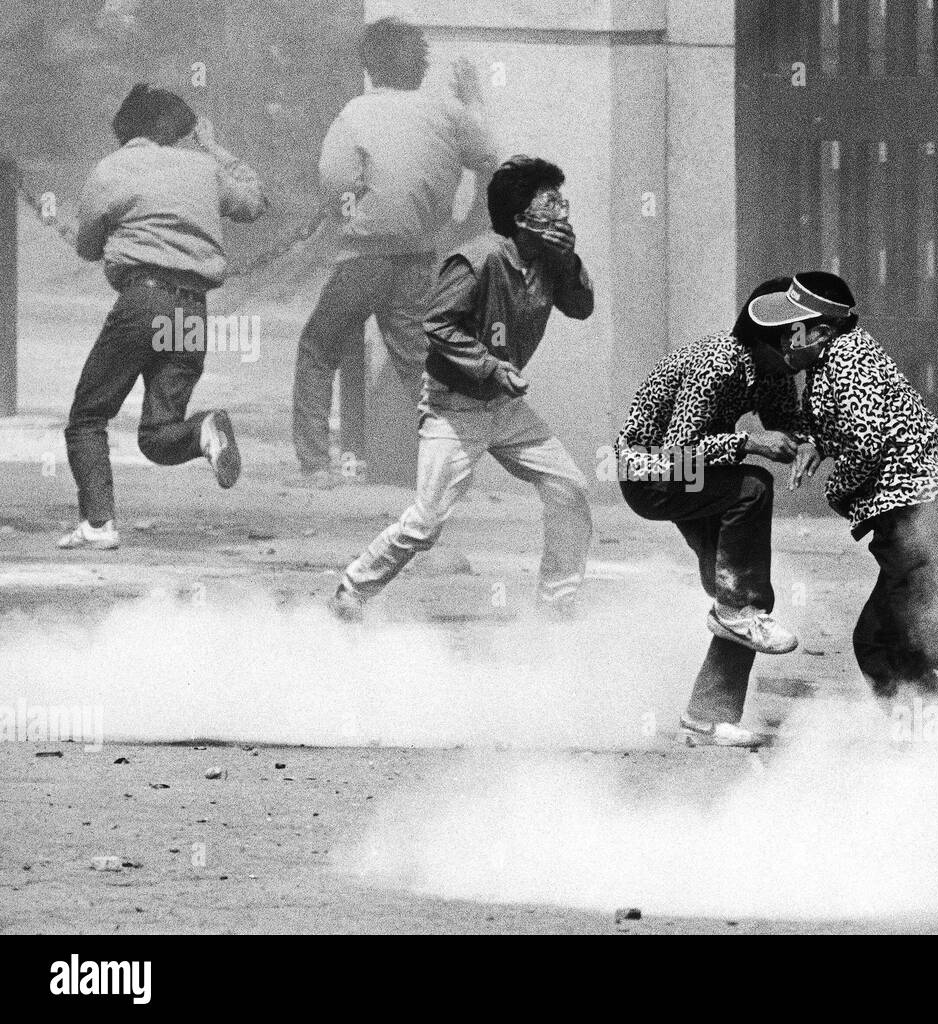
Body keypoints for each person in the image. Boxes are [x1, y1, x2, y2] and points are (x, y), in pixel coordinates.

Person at [753, 271, 938, 699]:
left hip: (927, 525)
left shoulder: (850, 365)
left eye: (791, 331)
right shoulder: (829, 362)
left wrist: (835, 492)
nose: (783, 339)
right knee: (921, 638)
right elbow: (838, 425)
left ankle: (931, 736)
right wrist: (815, 444)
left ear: (821, 332)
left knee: (881, 642)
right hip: (924, 526)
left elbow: (865, 444)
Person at [328, 155, 594, 618]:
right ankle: (353, 589)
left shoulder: (551, 261)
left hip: (504, 407)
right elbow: (436, 323)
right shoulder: (478, 258)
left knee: (569, 488)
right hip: (455, 406)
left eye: (562, 200)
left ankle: (556, 607)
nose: (563, 212)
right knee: (426, 523)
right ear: (519, 219)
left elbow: (581, 306)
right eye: (550, 203)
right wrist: (490, 367)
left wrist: (568, 258)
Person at [290, 16, 498, 488]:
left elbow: (336, 180)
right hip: (422, 261)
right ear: (422, 69)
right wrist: (467, 226)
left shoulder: (356, 113)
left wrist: (351, 209)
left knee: (319, 348)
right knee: (421, 368)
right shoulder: (447, 115)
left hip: (363, 259)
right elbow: (492, 162)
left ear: (368, 65)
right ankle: (454, 472)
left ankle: (317, 467)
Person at [59, 84, 268, 551]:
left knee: (87, 417)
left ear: (127, 132)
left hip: (144, 302)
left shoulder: (114, 168)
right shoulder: (205, 167)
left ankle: (98, 525)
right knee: (157, 435)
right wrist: (215, 148)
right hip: (192, 309)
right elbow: (255, 204)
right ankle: (203, 429)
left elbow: (89, 247)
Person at [615, 278, 818, 748]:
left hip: (690, 474)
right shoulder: (719, 361)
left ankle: (707, 719)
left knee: (749, 600)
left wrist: (806, 442)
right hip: (652, 473)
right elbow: (675, 451)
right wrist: (749, 442)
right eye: (802, 334)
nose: (808, 343)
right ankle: (732, 609)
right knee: (752, 485)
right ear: (775, 337)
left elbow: (786, 424)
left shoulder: (772, 371)